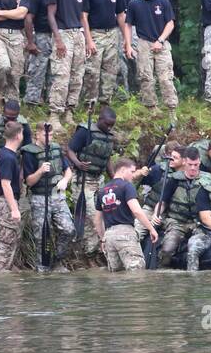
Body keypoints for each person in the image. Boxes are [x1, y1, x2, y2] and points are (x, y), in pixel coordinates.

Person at [67, 106, 120, 256]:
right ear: (100, 119)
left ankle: (97, 249)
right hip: (83, 180)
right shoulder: (85, 131)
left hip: (100, 181)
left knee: (101, 215)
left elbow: (107, 159)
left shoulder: (109, 136)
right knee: (91, 216)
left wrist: (115, 179)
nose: (109, 128)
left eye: (112, 125)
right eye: (107, 124)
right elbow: (69, 149)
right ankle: (89, 251)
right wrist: (77, 163)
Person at [22, 120, 74, 271]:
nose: (48, 138)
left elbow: (68, 170)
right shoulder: (29, 152)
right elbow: (29, 182)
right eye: (45, 135)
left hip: (57, 196)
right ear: (37, 134)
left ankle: (57, 260)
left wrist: (65, 180)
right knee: (41, 236)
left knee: (69, 229)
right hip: (39, 198)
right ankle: (42, 267)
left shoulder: (56, 149)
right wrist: (40, 171)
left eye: (51, 135)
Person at [125, 0, 178, 116]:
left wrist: (160, 40)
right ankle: (151, 108)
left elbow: (170, 23)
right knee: (145, 77)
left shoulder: (163, 2)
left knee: (166, 77)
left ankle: (172, 109)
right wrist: (128, 45)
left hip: (162, 43)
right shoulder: (134, 4)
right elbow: (128, 25)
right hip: (143, 43)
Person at [79, 0, 129, 106]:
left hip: (112, 33)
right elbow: (84, 17)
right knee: (92, 71)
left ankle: (105, 102)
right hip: (95, 33)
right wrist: (88, 40)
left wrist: (126, 38)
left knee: (111, 71)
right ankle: (90, 103)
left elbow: (121, 15)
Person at [94, 158, 158, 272]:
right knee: (136, 272)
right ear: (123, 170)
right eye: (132, 172)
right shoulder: (127, 186)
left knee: (116, 276)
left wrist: (103, 239)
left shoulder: (102, 190)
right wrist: (151, 229)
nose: (133, 175)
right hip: (125, 234)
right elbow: (137, 211)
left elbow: (97, 220)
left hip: (109, 237)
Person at [46, 0, 89, 124]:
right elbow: (51, 14)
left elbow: (82, 17)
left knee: (77, 75)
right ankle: (55, 114)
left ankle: (69, 111)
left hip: (78, 33)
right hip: (63, 32)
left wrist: (86, 39)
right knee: (62, 75)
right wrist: (58, 39)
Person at [153, 146, 207, 269]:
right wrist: (155, 215)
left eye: (196, 164)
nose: (193, 168)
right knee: (167, 250)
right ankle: (163, 269)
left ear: (200, 162)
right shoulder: (174, 180)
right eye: (190, 164)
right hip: (177, 222)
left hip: (199, 222)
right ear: (184, 162)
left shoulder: (207, 180)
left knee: (199, 247)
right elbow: (163, 202)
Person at [0, 120, 27, 272]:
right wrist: (14, 209)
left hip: (4, 201)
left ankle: (7, 270)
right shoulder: (8, 157)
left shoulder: (4, 154)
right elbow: (6, 184)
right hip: (5, 202)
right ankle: (1, 273)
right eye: (23, 133)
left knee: (10, 238)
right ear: (18, 136)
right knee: (5, 241)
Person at [18, 0, 52, 106]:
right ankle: (30, 98)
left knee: (47, 66)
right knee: (29, 67)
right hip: (23, 30)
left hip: (43, 30)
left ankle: (47, 98)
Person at [112, 0, 140, 95]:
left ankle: (139, 93)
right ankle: (121, 94)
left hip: (134, 29)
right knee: (119, 63)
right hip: (116, 29)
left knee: (137, 59)